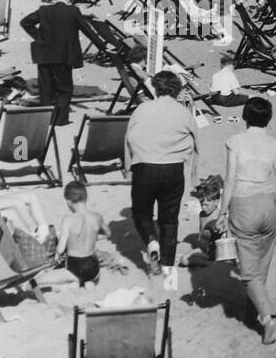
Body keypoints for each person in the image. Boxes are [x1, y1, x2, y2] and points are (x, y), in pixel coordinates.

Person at [221, 96, 276, 345]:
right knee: (262, 264)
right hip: (268, 204)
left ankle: (267, 317)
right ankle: (251, 314)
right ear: (269, 119)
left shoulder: (235, 142)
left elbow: (229, 180)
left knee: (248, 271)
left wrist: (222, 211)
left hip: (244, 204)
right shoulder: (275, 146)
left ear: (244, 116)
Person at [126, 70, 198, 274]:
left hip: (145, 166)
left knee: (141, 211)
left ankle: (150, 240)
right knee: (169, 219)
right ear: (176, 90)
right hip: (173, 169)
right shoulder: (182, 111)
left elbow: (130, 138)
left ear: (155, 88)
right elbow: (194, 139)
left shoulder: (142, 109)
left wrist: (130, 163)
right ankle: (168, 270)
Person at [19, 0, 88, 126]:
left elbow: (25, 22)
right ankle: (60, 120)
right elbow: (87, 30)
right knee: (64, 89)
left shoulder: (44, 10)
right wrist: (103, 46)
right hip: (63, 56)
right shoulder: (73, 11)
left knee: (45, 87)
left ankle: (45, 118)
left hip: (44, 55)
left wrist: (40, 38)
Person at [54, 181, 109, 287]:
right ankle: (88, 281)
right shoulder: (97, 216)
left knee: (37, 282)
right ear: (86, 198)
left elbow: (60, 249)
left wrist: (57, 253)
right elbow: (108, 233)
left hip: (75, 267)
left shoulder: (68, 219)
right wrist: (95, 229)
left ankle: (75, 282)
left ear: (68, 201)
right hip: (94, 267)